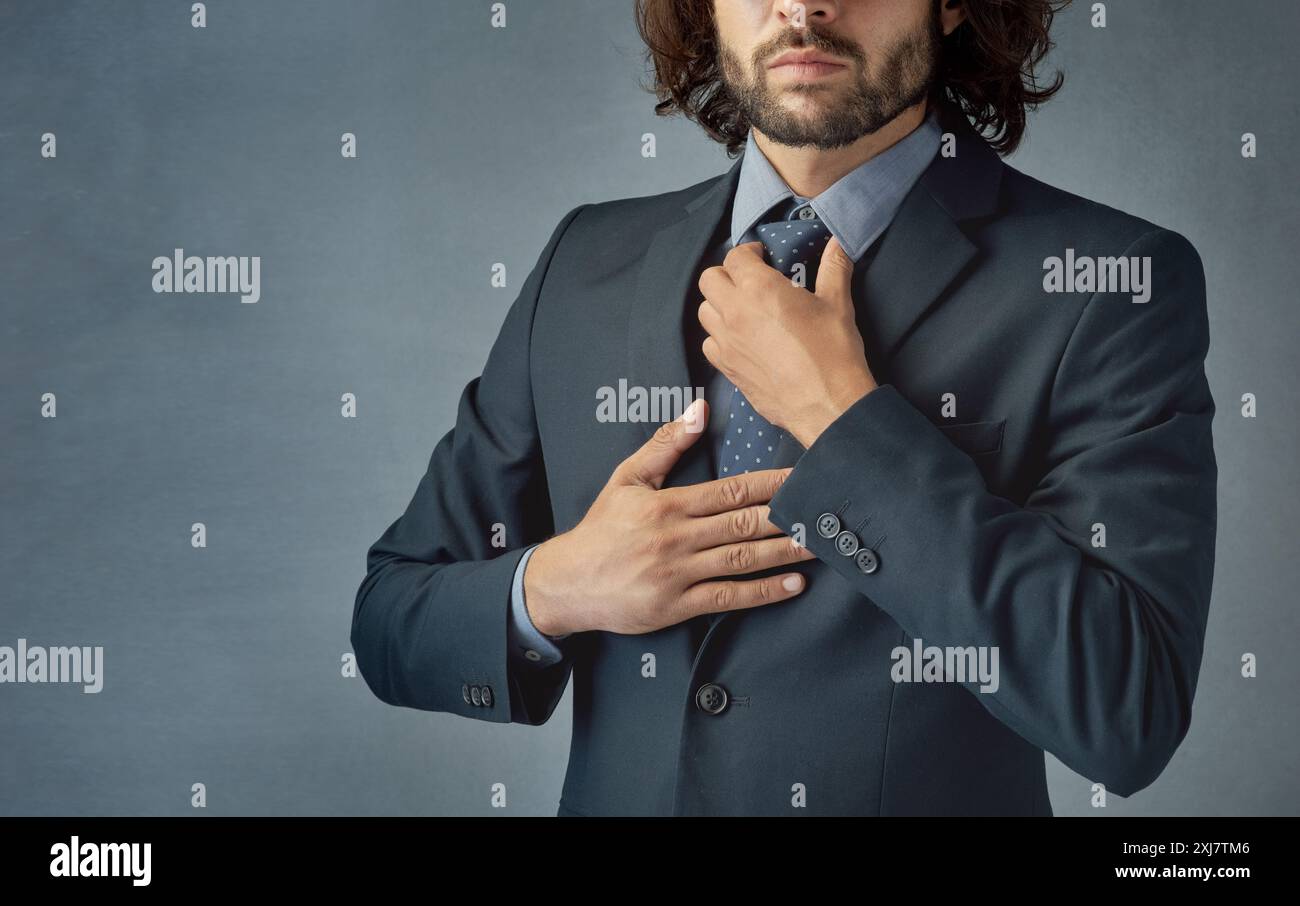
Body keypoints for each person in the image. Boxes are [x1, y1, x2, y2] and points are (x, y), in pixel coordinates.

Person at [351, 0, 1217, 816]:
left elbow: (1125, 712)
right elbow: (391, 620)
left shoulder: (1112, 284)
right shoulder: (582, 262)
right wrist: (558, 589)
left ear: (952, 3)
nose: (803, 7)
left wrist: (845, 419)